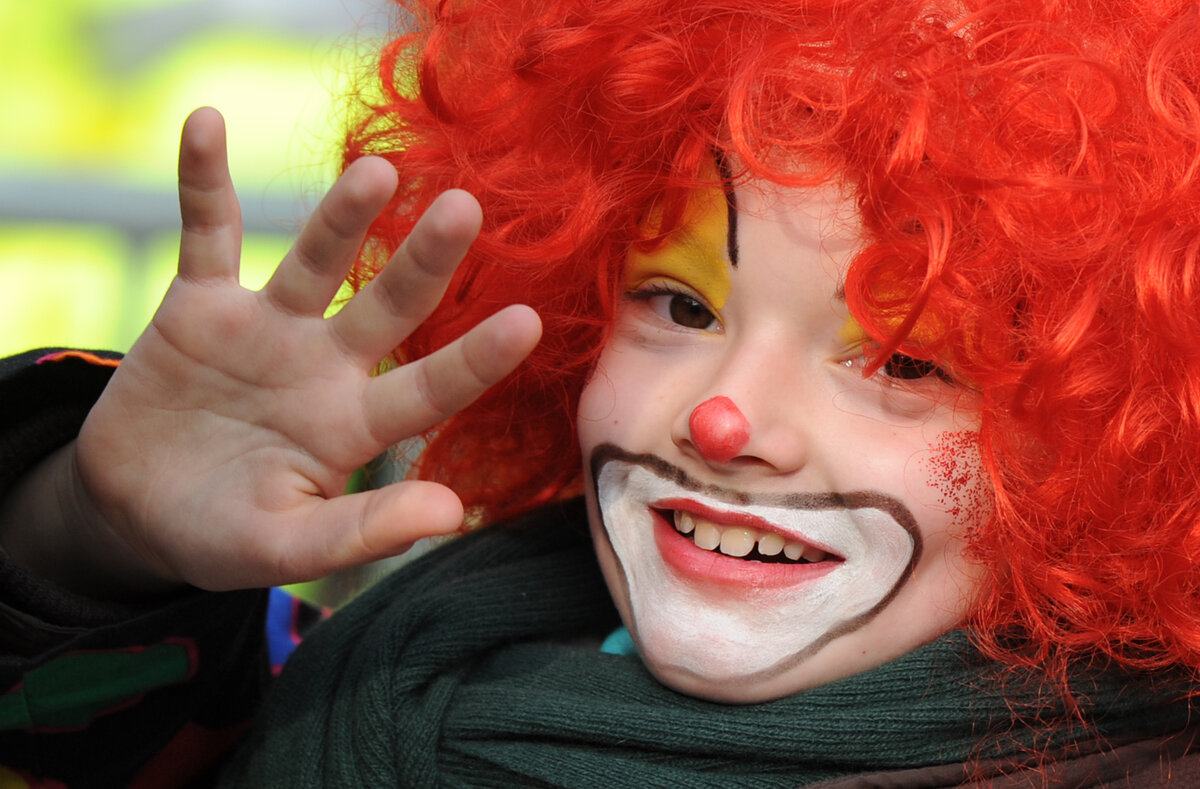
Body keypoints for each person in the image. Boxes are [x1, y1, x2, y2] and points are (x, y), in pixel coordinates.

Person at [2, 0, 1200, 785]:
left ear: (1122, 445)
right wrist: (91, 545)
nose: (726, 421)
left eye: (903, 360)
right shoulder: (359, 689)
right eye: (679, 307)